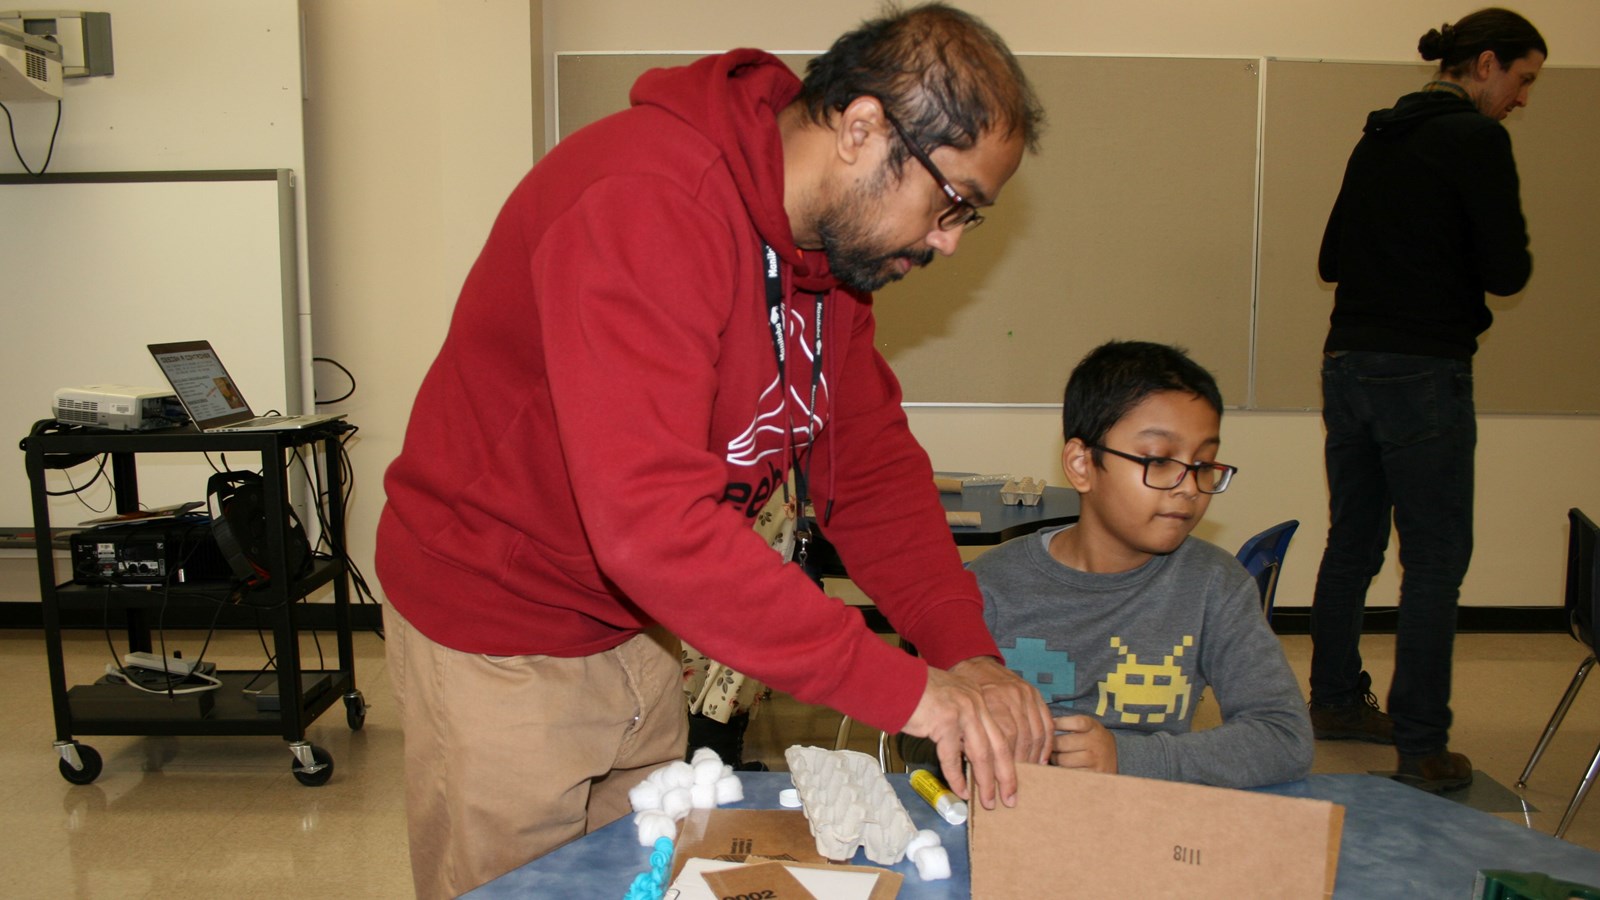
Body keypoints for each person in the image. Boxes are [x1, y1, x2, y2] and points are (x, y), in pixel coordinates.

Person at [373, 4, 1053, 896]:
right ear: (861, 129)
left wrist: (963, 655)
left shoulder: (827, 260)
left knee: (639, 876)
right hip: (498, 632)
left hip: (637, 624)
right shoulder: (646, 200)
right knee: (521, 886)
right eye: (952, 201)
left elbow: (875, 470)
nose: (950, 241)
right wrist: (913, 694)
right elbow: (653, 524)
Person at [1309, 8, 1544, 794]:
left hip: (1346, 363)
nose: (1520, 99)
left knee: (1354, 544)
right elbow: (1508, 270)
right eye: (1521, 80)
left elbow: (1332, 256)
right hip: (1424, 370)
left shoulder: (1375, 137)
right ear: (1485, 63)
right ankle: (1422, 746)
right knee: (1435, 561)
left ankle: (1336, 702)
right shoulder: (1478, 142)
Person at [904, 341, 1312, 787]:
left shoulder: (1214, 585)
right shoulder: (989, 586)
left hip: (1146, 817)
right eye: (1158, 460)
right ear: (1082, 464)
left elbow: (1285, 738)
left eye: (1202, 464)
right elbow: (918, 743)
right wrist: (977, 739)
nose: (1188, 487)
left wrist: (1128, 757)